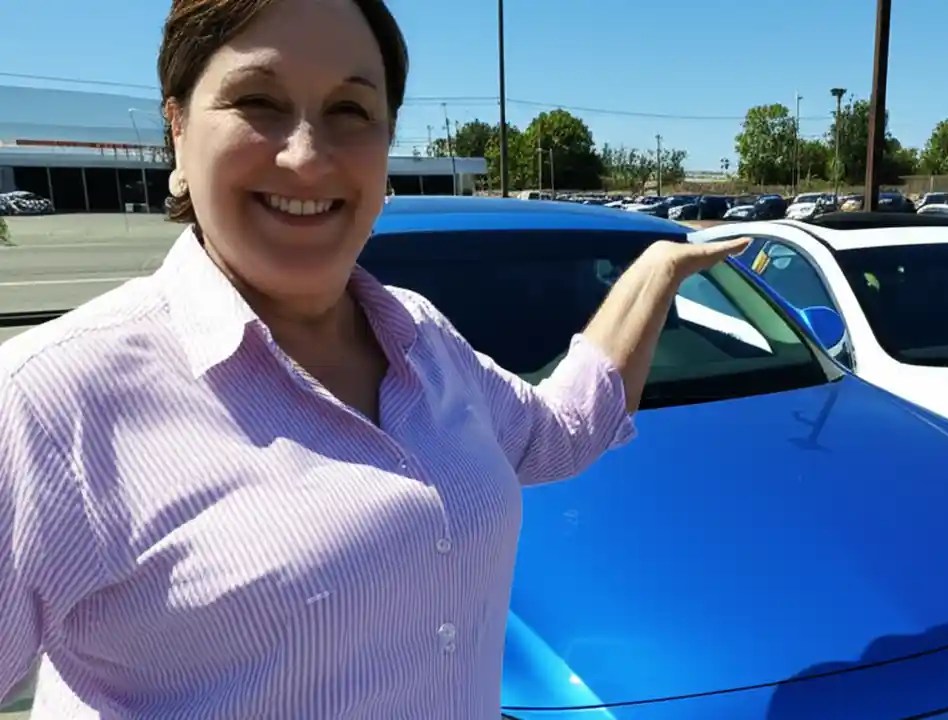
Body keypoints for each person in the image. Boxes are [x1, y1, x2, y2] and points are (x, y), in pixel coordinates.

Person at [0, 0, 747, 717]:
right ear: (177, 128)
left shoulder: (422, 339)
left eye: (350, 111)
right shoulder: (50, 403)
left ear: (386, 143)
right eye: (257, 100)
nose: (305, 153)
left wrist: (650, 272)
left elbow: (561, 431)